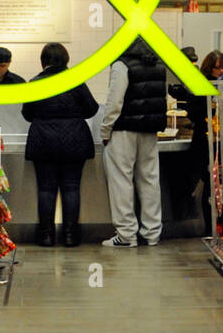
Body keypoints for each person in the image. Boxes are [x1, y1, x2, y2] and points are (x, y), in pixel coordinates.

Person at [21, 42, 98, 247]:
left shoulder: (35, 83)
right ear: (66, 60)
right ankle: (71, 236)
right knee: (71, 188)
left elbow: (27, 114)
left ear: (43, 61)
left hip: (43, 141)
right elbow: (92, 109)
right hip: (74, 140)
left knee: (46, 189)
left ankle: (46, 235)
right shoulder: (75, 81)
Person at [99, 37, 168, 247]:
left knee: (121, 181)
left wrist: (105, 129)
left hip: (123, 130)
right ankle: (152, 233)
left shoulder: (122, 64)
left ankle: (127, 235)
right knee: (149, 180)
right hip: (149, 130)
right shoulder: (158, 65)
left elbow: (114, 101)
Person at [186, 50, 223, 236]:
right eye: (216, 67)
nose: (220, 71)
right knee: (210, 186)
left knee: (219, 185)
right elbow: (193, 111)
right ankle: (210, 228)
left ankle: (219, 227)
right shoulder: (201, 85)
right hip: (206, 142)